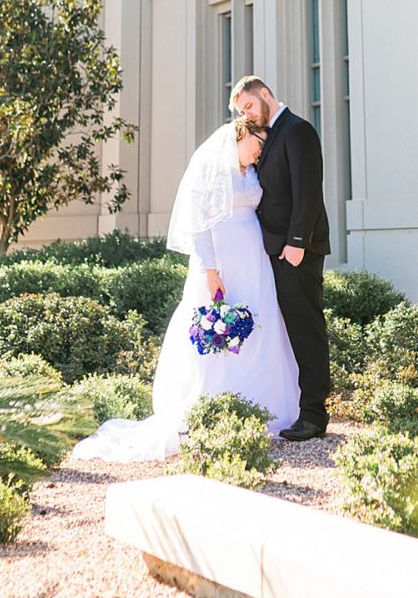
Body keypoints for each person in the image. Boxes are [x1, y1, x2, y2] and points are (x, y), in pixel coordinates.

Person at [68, 115, 299, 464]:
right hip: (221, 263)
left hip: (253, 263)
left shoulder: (251, 173)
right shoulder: (210, 168)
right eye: (259, 143)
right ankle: (212, 401)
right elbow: (199, 225)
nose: (261, 151)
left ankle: (257, 403)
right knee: (217, 331)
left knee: (259, 328)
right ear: (241, 134)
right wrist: (210, 270)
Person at [230, 75, 332, 441]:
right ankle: (297, 406)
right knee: (287, 331)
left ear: (267, 95)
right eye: (243, 111)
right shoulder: (269, 135)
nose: (248, 114)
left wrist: (297, 243)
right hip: (274, 251)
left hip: (297, 251)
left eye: (249, 106)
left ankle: (315, 415)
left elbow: (308, 192)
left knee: (306, 329)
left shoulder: (298, 130)